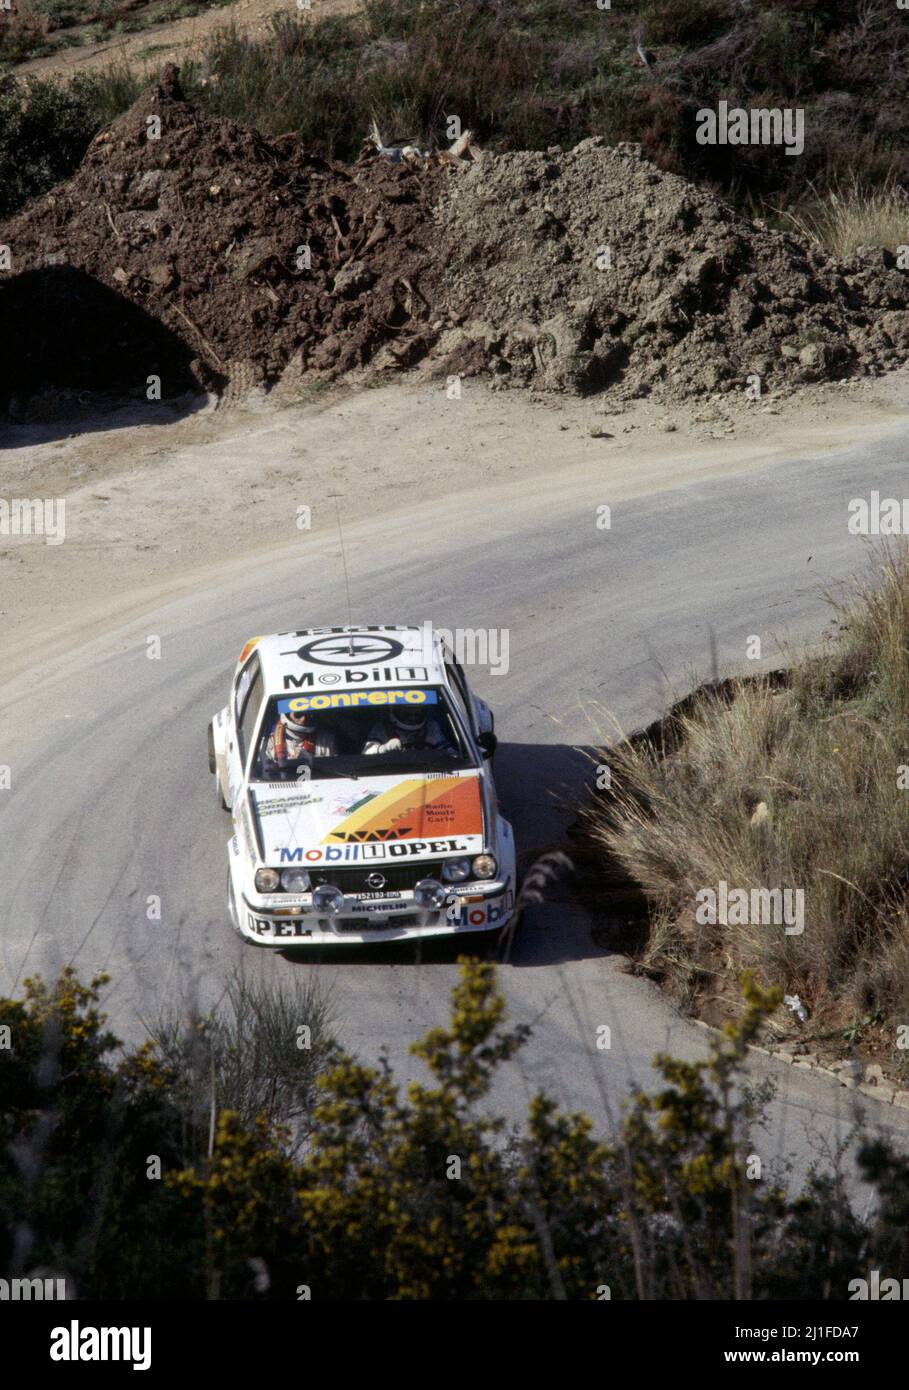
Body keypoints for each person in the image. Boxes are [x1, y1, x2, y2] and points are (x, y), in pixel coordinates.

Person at [263, 707, 337, 775]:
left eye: (308, 715)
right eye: (298, 714)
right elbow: (265, 774)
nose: (303, 719)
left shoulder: (325, 741)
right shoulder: (267, 743)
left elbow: (333, 771)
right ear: (287, 713)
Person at [363, 706, 455, 756]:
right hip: (391, 771)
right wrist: (384, 748)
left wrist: (453, 755)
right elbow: (366, 752)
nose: (412, 718)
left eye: (417, 714)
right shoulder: (382, 728)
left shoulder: (431, 727)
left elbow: (448, 750)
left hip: (426, 770)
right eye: (407, 714)